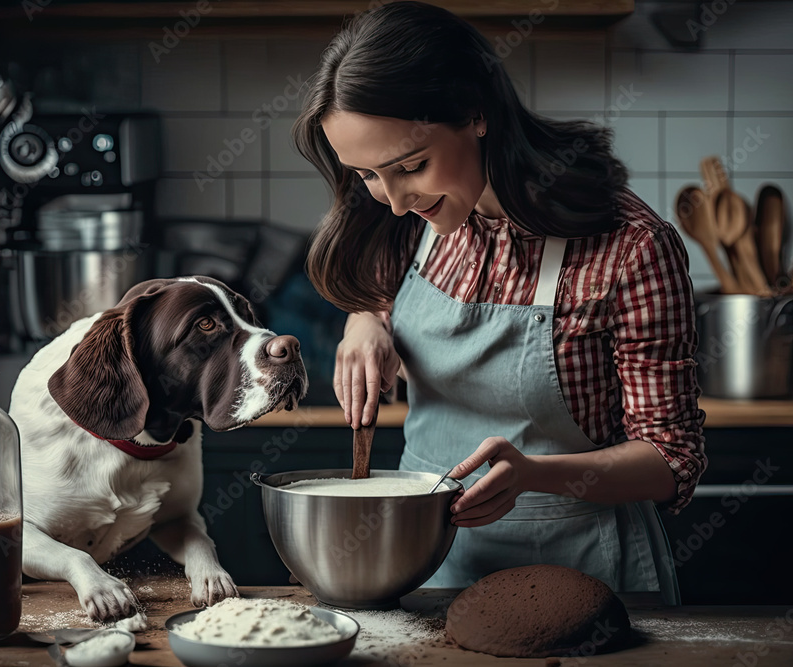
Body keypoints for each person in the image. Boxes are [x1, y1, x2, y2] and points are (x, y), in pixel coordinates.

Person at [291, 1, 706, 604]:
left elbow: (672, 460)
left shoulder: (629, 248)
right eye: (368, 176)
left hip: (582, 574)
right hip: (427, 562)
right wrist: (365, 322)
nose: (396, 200)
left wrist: (537, 476)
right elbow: (384, 292)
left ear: (477, 115)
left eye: (411, 166)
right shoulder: (413, 219)